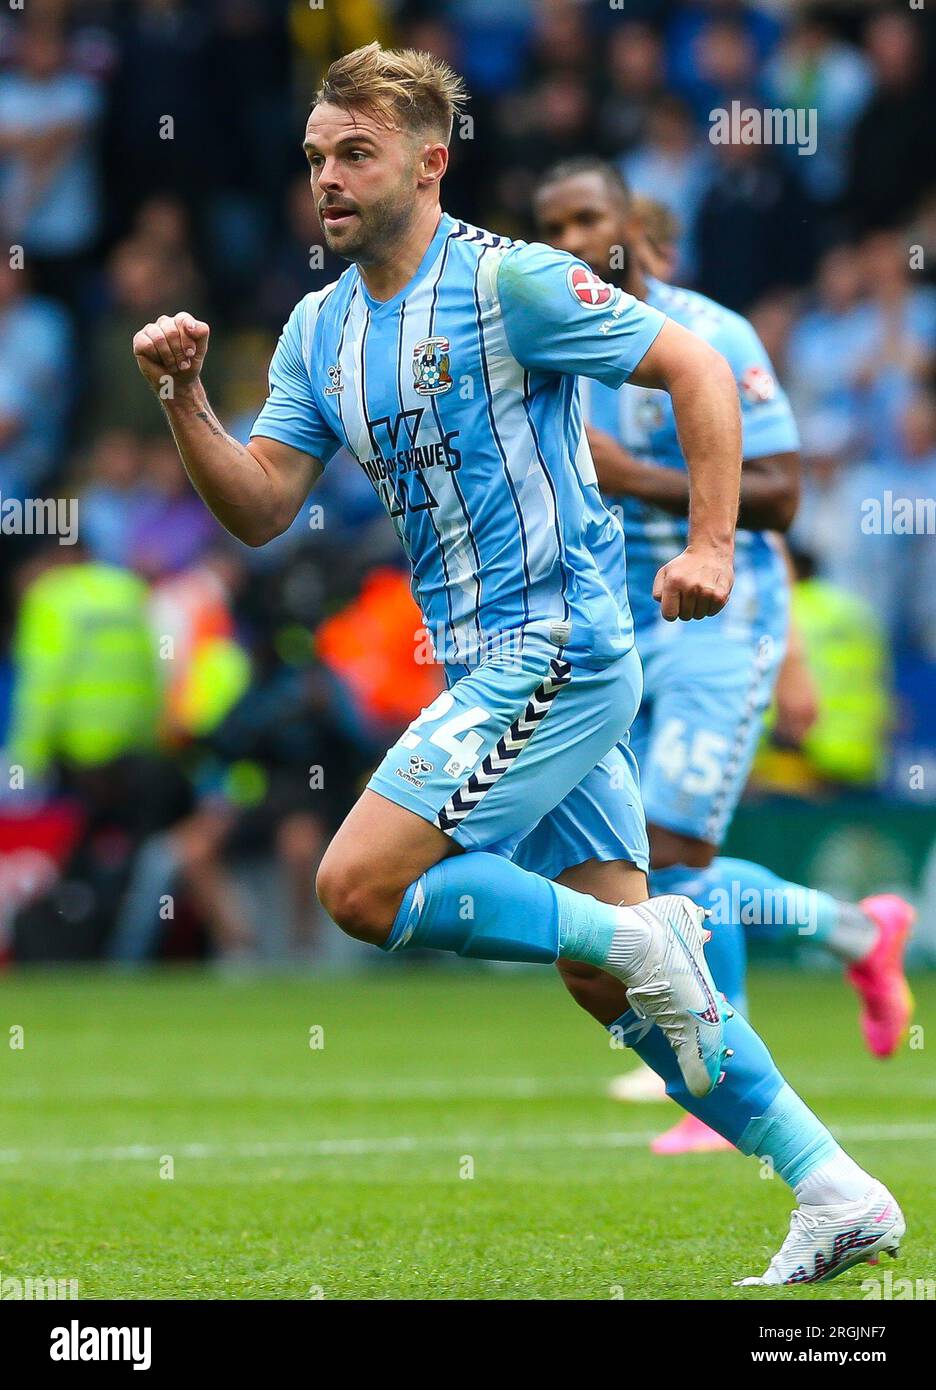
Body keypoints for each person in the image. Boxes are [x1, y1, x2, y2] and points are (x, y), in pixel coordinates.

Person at [132, 43, 903, 1285]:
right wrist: (184, 400)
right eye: (317, 156)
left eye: (356, 154)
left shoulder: (513, 284)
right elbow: (266, 504)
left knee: (359, 888)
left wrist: (712, 543)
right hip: (490, 665)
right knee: (613, 990)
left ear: (431, 164)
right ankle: (834, 1186)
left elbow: (695, 367)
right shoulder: (319, 330)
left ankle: (649, 942)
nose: (327, 176)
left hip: (557, 641)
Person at [531, 155, 914, 1149]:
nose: (572, 240)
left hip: (719, 621)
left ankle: (718, 1074)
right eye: (553, 226)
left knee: (675, 855)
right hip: (615, 633)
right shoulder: (551, 348)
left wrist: (636, 476)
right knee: (636, 867)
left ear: (628, 222)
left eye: (588, 219)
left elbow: (779, 494)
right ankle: (859, 933)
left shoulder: (711, 336)